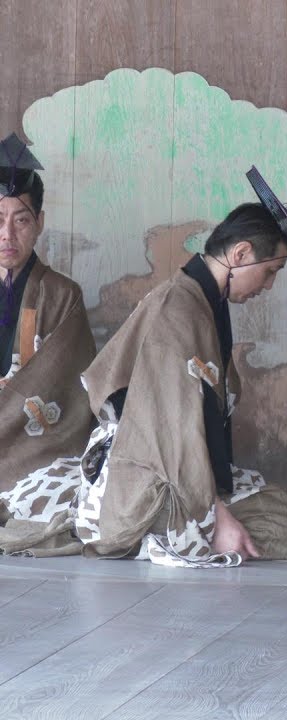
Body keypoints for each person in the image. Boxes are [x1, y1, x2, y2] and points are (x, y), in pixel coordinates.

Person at [74, 168, 287, 567]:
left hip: (180, 464)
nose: (269, 285)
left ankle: (194, 523)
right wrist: (215, 513)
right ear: (240, 254)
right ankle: (171, 533)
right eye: (271, 271)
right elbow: (167, 425)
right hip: (148, 472)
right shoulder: (179, 306)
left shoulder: (204, 300)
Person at [0, 133, 96, 555]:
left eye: (20, 219)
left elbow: (66, 396)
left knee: (65, 495)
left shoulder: (62, 294)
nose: (7, 233)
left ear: (39, 222)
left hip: (33, 442)